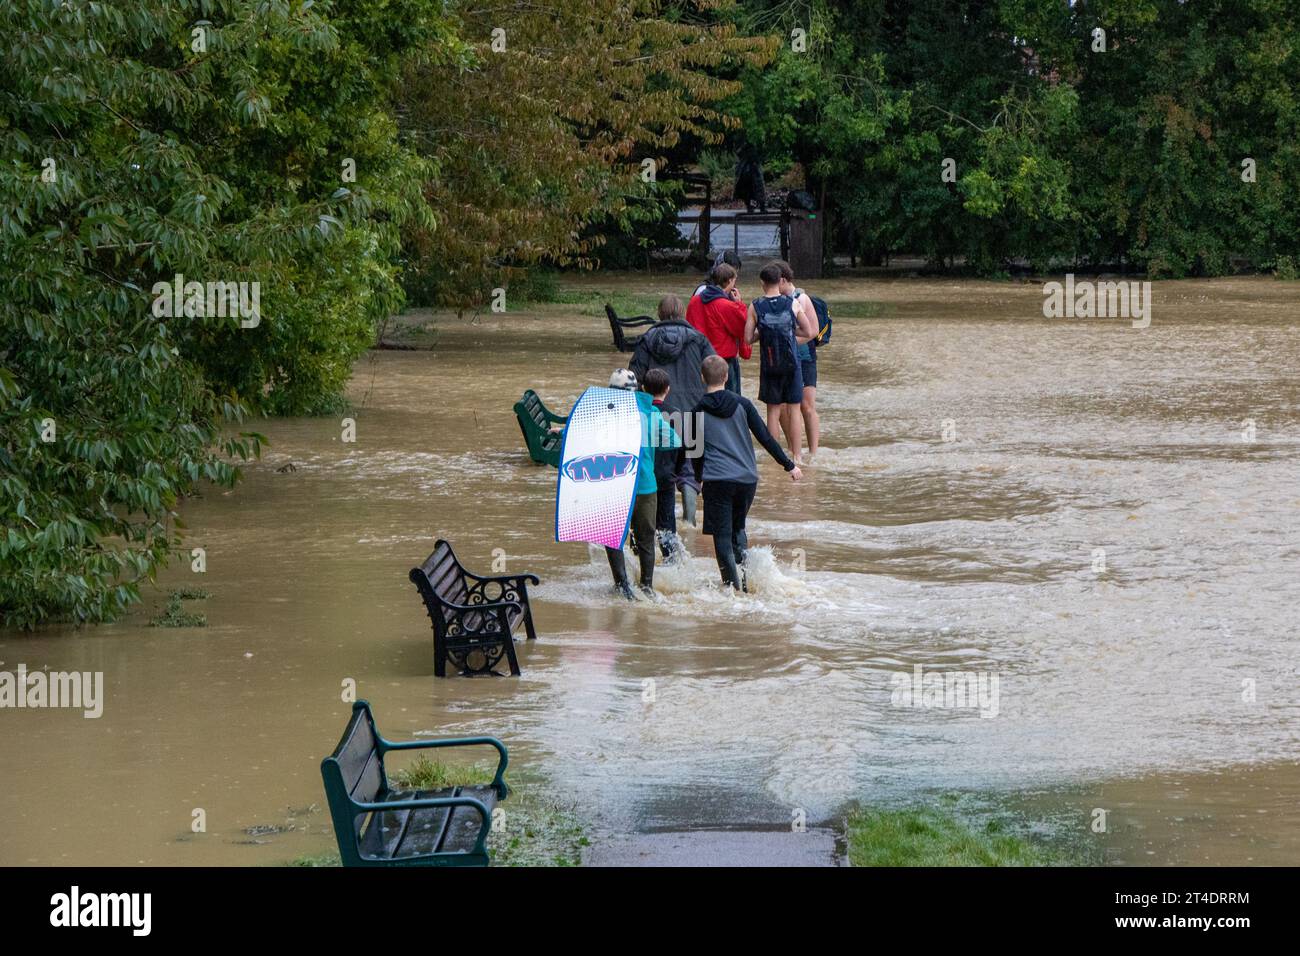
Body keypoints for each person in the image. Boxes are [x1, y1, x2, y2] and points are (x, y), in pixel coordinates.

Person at [692, 355, 801, 590]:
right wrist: (789, 464)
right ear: (727, 376)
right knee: (737, 529)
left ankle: (734, 590)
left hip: (717, 479)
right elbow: (765, 437)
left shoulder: (695, 412)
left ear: (702, 378)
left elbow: (695, 451)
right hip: (746, 480)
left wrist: (697, 477)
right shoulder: (743, 404)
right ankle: (744, 582)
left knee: (721, 536)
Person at [604, 368, 681, 599]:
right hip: (646, 486)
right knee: (646, 539)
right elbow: (673, 441)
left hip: (616, 486)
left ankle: (622, 586)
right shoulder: (649, 414)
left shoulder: (604, 415)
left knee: (613, 537)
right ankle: (646, 586)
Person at [745, 262, 817, 462]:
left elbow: (747, 338)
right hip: (792, 364)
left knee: (773, 412)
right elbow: (810, 331)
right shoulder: (792, 303)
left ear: (762, 282)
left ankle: (774, 458)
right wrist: (789, 333)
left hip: (769, 364)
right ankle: (797, 457)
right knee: (794, 410)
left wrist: (766, 332)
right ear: (780, 281)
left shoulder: (755, 305)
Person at [775, 260, 821, 461]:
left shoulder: (802, 299)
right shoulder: (776, 300)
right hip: (786, 357)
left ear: (783, 280)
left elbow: (814, 331)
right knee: (784, 407)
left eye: (775, 283)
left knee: (806, 406)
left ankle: (813, 452)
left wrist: (790, 343)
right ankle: (794, 447)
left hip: (805, 357)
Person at [686, 260, 750, 395]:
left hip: (700, 359)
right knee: (730, 402)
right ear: (729, 281)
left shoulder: (695, 301)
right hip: (724, 362)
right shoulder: (726, 305)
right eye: (734, 280)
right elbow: (743, 329)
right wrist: (739, 304)